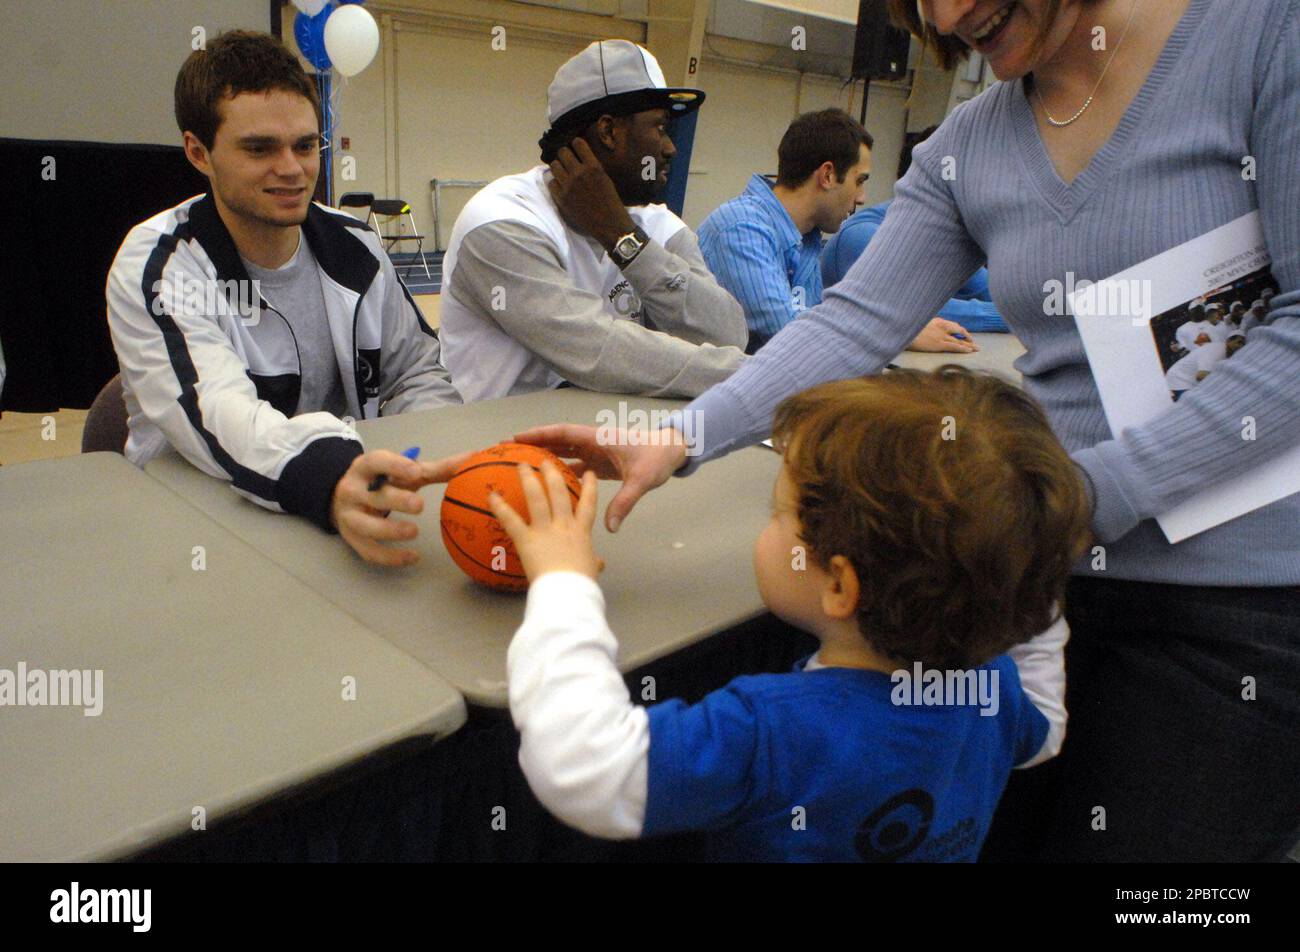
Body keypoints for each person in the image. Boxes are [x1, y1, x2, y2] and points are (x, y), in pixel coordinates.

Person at [514, 0, 1300, 862]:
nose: (950, 13)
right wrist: (680, 438)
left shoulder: (1264, 34)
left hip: (1232, 605)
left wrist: (1071, 500)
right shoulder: (973, 141)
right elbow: (853, 322)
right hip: (1025, 569)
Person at [492, 368, 1090, 861]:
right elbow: (1045, 728)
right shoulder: (993, 694)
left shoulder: (774, 731)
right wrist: (1014, 573)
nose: (767, 526)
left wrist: (562, 580)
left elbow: (586, 769)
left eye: (776, 513)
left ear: (838, 583)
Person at [106, 31, 463, 566]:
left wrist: (418, 469)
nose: (293, 169)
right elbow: (221, 413)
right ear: (198, 152)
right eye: (259, 148)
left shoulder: (355, 245)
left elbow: (417, 372)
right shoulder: (158, 266)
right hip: (198, 526)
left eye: (304, 145)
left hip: (333, 509)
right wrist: (333, 474)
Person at [437, 40, 747, 403]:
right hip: (492, 447)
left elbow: (728, 335)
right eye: (660, 128)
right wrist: (759, 377)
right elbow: (598, 352)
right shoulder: (500, 221)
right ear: (608, 131)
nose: (670, 148)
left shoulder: (656, 224)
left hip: (607, 438)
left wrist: (623, 237)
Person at [700, 110, 974, 355]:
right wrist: (899, 333)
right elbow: (786, 331)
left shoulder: (806, 237)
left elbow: (816, 321)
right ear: (828, 175)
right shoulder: (740, 228)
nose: (863, 197)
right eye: (860, 181)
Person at [821, 125, 1011, 336]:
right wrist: (1010, 316)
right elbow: (905, 309)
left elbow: (996, 292)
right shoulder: (862, 236)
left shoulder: (946, 239)